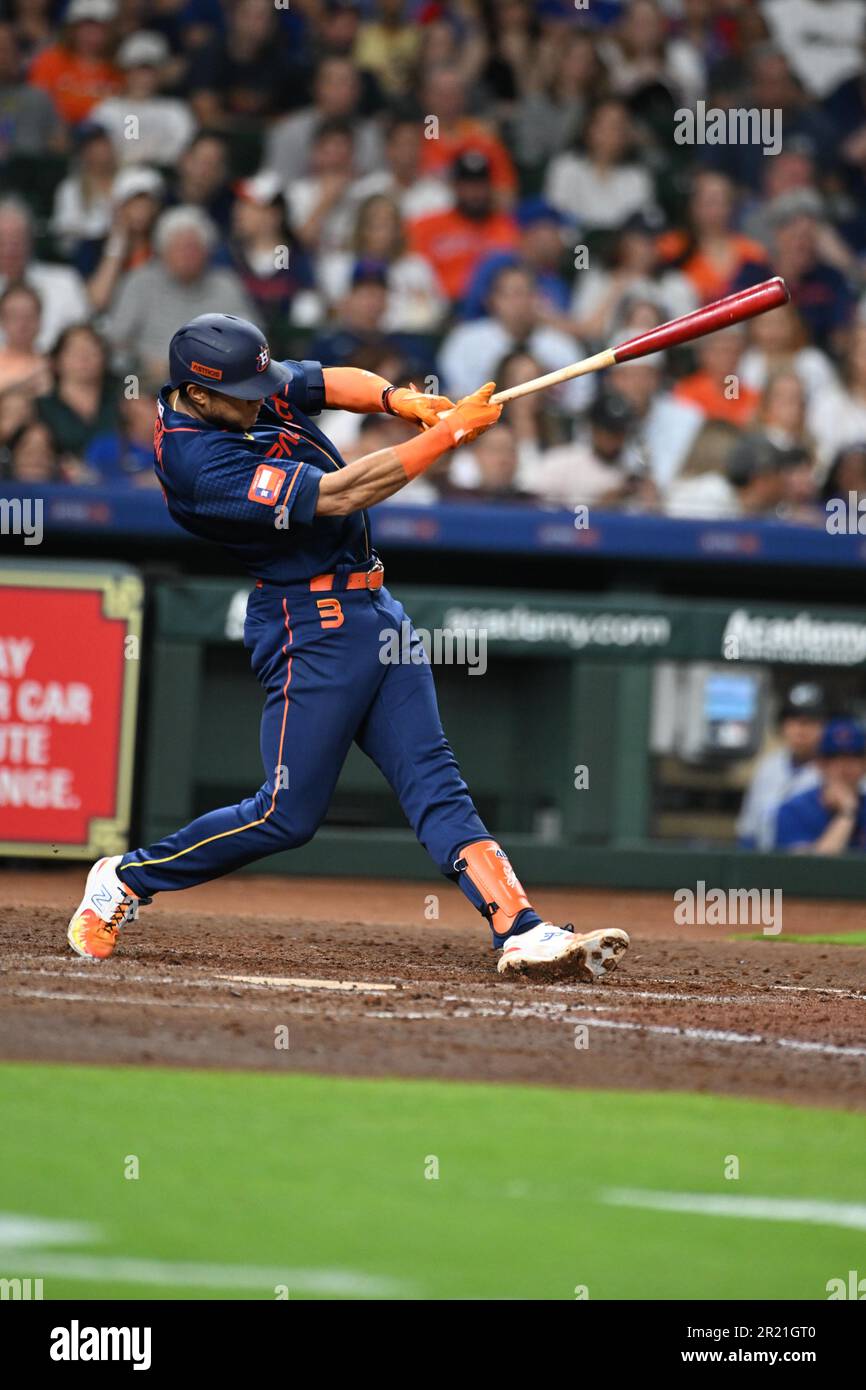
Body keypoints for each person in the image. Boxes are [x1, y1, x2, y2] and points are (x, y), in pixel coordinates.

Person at [65, 311, 630, 985]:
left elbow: (329, 382)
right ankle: (125, 879)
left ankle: (521, 928)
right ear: (200, 393)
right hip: (309, 621)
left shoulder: (238, 385)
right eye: (245, 393)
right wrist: (447, 436)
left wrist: (401, 400)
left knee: (435, 782)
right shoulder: (197, 462)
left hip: (374, 609)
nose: (261, 397)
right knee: (284, 815)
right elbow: (344, 492)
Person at [105, 205, 254, 387]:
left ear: (207, 251)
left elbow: (251, 344)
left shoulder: (226, 284)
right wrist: (143, 364)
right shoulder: (140, 282)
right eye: (179, 247)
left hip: (213, 388)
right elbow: (115, 341)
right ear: (163, 251)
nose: (187, 255)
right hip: (148, 384)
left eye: (193, 247)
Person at [737, 683, 826, 851]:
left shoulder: (835, 772)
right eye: (793, 720)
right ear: (783, 725)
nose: (800, 730)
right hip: (764, 863)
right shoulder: (768, 767)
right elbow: (748, 830)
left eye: (810, 722)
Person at [90, 29, 195, 168]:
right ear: (126, 72)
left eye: (150, 71)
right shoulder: (107, 109)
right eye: (138, 69)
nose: (144, 77)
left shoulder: (176, 110)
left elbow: (184, 149)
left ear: (160, 73)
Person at [0, 197, 89, 351]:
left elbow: (80, 342)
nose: (10, 250)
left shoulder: (65, 282)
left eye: (16, 241)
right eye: (2, 242)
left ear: (30, 241)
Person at [774, 717, 866, 853]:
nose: (844, 766)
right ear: (820, 763)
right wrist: (847, 814)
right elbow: (811, 869)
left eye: (854, 757)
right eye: (834, 757)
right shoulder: (794, 810)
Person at [28, 0, 122, 127]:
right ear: (72, 29)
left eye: (99, 29)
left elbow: (128, 113)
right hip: (55, 134)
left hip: (105, 137)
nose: (91, 35)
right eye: (85, 27)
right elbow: (35, 105)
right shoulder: (50, 60)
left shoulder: (119, 68)